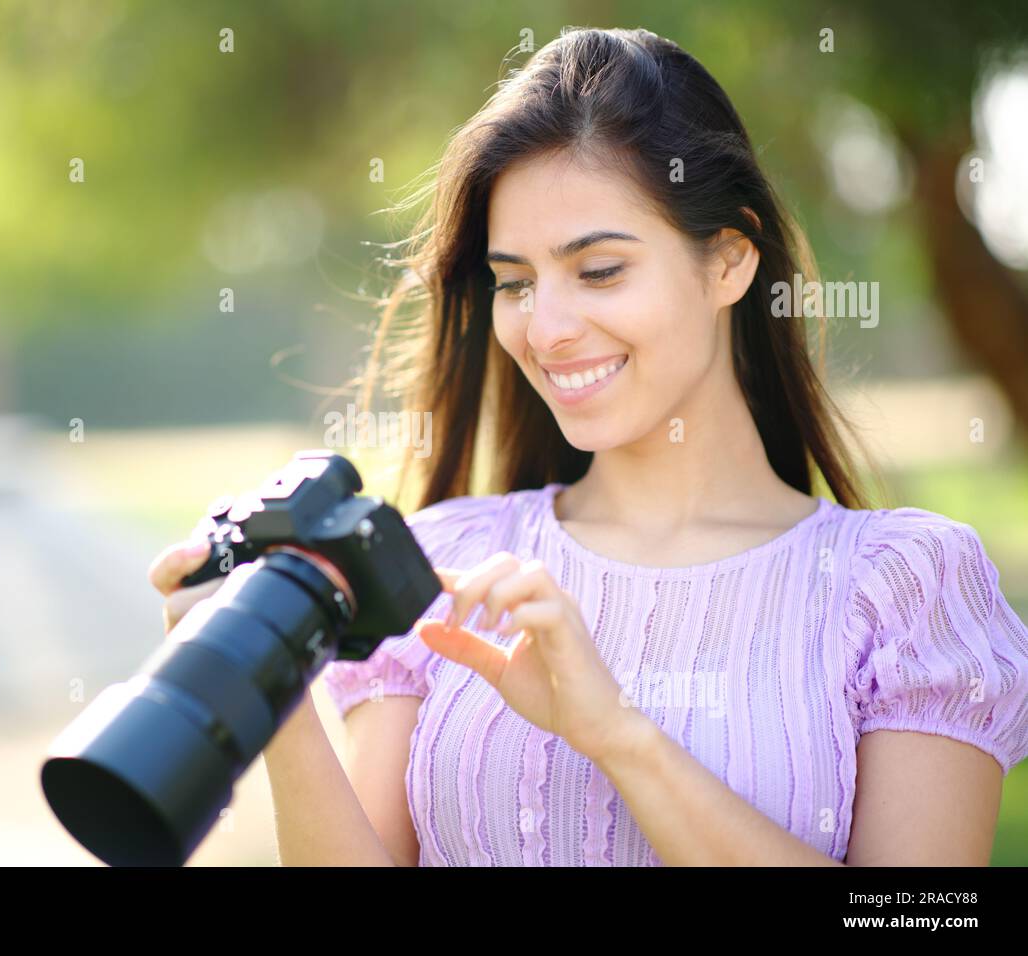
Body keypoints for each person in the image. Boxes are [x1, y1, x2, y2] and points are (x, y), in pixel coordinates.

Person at [149, 26, 1028, 866]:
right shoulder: (449, 562)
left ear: (729, 261)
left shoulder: (906, 588)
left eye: (599, 271)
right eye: (514, 284)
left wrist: (616, 735)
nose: (548, 328)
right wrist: (267, 686)